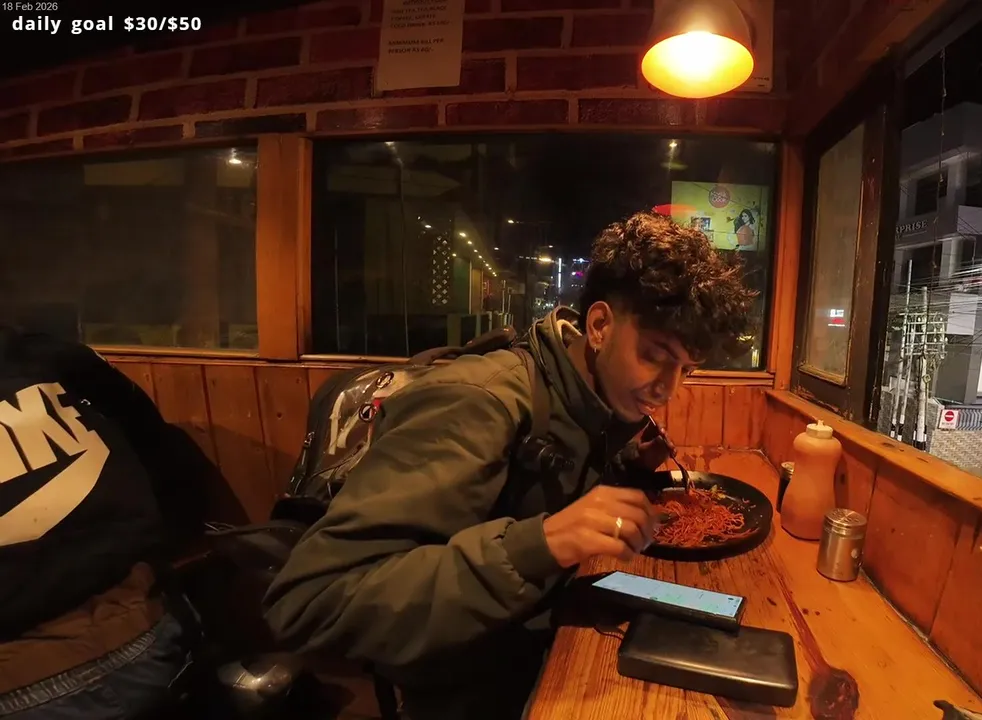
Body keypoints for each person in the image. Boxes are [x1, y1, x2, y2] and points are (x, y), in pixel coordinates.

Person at [262, 211, 757, 719]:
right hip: (473, 687)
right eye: (655, 355)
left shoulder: (589, 397)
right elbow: (309, 603)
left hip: (547, 635)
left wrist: (630, 462)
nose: (669, 389)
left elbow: (540, 489)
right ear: (600, 326)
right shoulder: (478, 402)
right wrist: (540, 545)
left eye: (686, 369)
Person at [0, 327, 205, 719]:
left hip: (28, 683)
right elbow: (172, 468)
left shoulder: (50, 356)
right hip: (152, 636)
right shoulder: (49, 353)